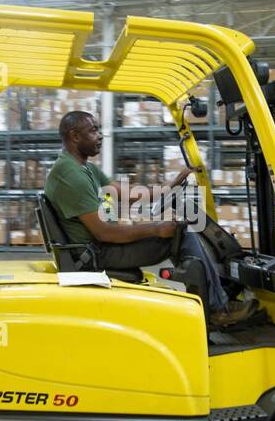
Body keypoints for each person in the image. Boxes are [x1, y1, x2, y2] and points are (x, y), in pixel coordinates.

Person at [44, 110, 256, 326]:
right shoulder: (71, 176)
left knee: (179, 230)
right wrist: (156, 229)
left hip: (99, 246)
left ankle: (214, 293)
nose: (100, 136)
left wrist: (173, 183)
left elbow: (128, 194)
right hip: (96, 253)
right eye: (93, 130)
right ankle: (217, 309)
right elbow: (104, 233)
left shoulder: (84, 169)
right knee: (181, 235)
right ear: (75, 136)